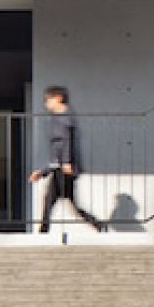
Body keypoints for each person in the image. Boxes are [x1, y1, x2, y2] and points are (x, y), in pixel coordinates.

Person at [31, 86, 105, 234]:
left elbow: (65, 142)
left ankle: (43, 231)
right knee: (62, 201)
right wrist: (44, 171)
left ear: (58, 98)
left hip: (64, 168)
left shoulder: (64, 118)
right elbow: (60, 146)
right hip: (62, 167)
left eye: (48, 100)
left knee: (50, 199)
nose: (47, 104)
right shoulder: (61, 118)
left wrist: (66, 162)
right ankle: (97, 224)